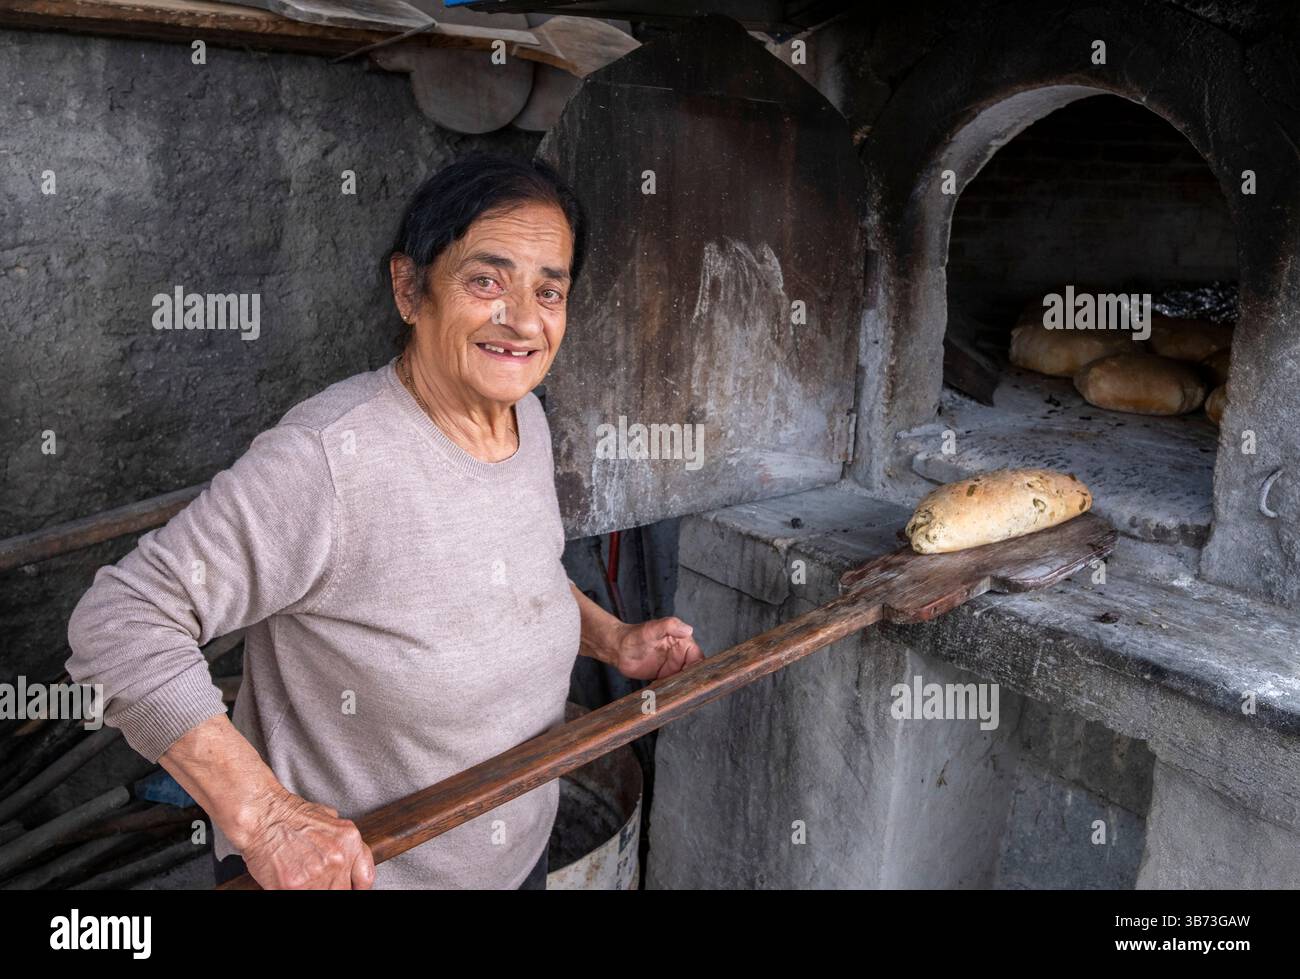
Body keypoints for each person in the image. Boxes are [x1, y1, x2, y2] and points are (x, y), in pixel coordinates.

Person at [66, 152, 703, 890]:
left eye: (549, 290)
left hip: (511, 861)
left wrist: (613, 639)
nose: (523, 320)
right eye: (486, 280)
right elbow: (120, 620)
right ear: (410, 288)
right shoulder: (331, 461)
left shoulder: (524, 417)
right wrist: (267, 818)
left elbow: (517, 578)